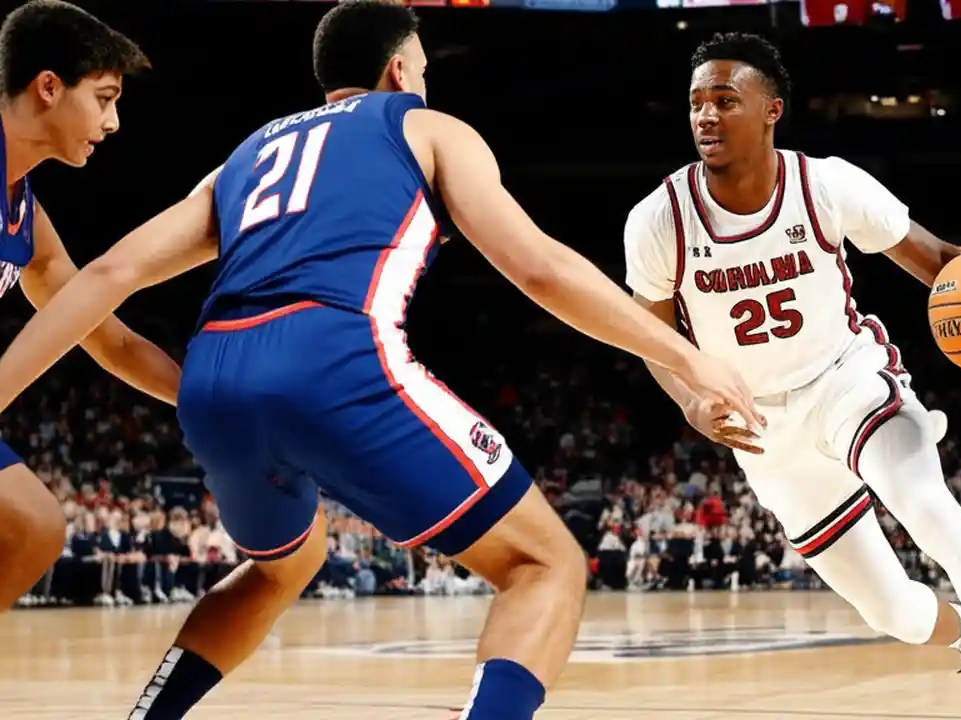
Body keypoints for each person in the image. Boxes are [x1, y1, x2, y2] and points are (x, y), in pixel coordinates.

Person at [0, 3, 760, 718]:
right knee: (546, 564)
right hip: (331, 358)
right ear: (399, 70)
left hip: (210, 376)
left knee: (283, 565)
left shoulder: (249, 154)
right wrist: (687, 359)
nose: (424, 82)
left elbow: (110, 274)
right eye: (422, 69)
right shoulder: (425, 127)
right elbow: (539, 268)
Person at [623, 32, 961, 720]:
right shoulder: (658, 219)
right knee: (892, 612)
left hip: (845, 381)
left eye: (725, 100)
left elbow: (940, 262)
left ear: (771, 109)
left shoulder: (826, 185)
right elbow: (652, 336)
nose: (706, 115)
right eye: (697, 101)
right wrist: (689, 402)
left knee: (928, 507)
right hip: (763, 429)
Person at [0, 0, 180, 611]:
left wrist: (204, 401)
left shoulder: (25, 217)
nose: (114, 121)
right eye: (104, 98)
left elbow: (112, 340)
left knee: (34, 527)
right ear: (49, 87)